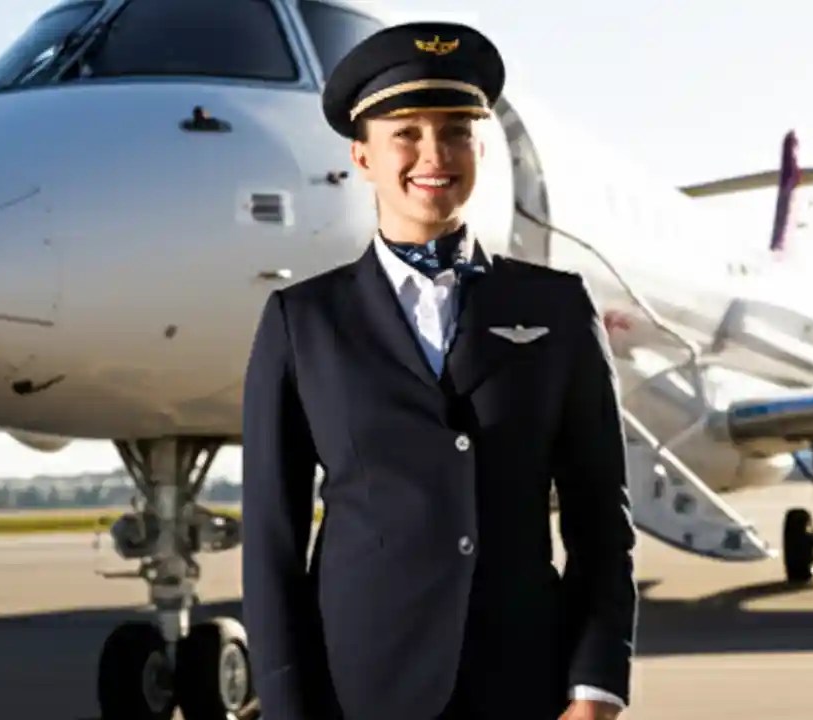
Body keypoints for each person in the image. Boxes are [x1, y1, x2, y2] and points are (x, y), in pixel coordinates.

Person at [242, 20, 636, 720]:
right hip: (359, 689)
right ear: (362, 156)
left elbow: (600, 520)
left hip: (522, 685)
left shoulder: (557, 306)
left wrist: (595, 687)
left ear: (480, 147)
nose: (435, 154)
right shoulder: (302, 323)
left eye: (456, 130)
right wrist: (286, 706)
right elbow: (272, 544)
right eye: (407, 133)